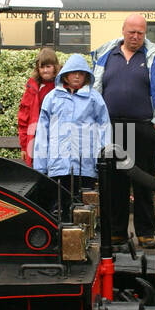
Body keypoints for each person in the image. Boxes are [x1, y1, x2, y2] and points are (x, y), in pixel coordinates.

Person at [92, 14, 155, 249]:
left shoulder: (154, 57)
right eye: (132, 32)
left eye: (140, 33)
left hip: (143, 129)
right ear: (123, 31)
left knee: (145, 183)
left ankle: (146, 233)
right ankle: (117, 233)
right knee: (115, 184)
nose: (136, 37)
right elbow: (94, 88)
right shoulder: (106, 55)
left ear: (144, 33)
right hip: (113, 128)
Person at [33, 54, 111, 205]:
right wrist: (40, 166)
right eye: (73, 72)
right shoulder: (52, 98)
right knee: (59, 209)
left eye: (81, 73)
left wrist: (102, 161)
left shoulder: (94, 98)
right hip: (57, 166)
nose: (77, 76)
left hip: (86, 165)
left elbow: (104, 128)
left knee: (84, 209)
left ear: (86, 76)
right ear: (65, 74)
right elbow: (43, 133)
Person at [17, 47, 58, 167]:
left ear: (55, 67)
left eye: (48, 66)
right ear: (37, 69)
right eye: (42, 67)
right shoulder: (32, 88)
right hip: (36, 139)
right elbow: (23, 118)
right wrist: (24, 146)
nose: (45, 70)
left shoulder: (62, 87)